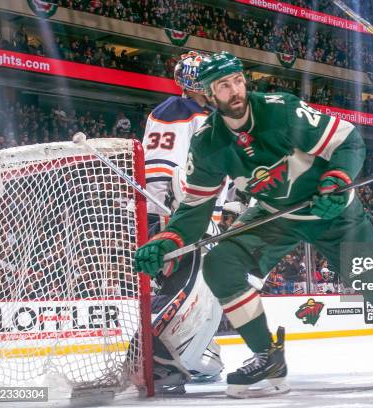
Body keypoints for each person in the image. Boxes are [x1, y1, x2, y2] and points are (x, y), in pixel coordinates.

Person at [135, 51, 373, 398]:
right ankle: (267, 356)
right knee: (220, 264)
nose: (236, 90)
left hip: (335, 215)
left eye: (238, 80)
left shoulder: (279, 109)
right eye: (224, 85)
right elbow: (194, 209)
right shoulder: (207, 142)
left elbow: (348, 140)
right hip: (275, 216)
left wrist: (337, 179)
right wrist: (166, 241)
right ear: (209, 95)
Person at [139, 51, 226, 392]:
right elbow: (163, 169)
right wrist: (173, 217)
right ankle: (153, 357)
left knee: (203, 289)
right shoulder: (180, 112)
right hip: (176, 214)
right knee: (183, 288)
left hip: (193, 213)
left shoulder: (202, 114)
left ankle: (195, 352)